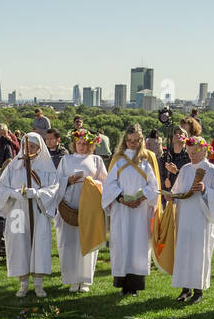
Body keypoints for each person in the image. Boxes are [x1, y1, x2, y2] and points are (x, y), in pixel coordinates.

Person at [0, 131, 58, 298]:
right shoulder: (14, 167)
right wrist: (14, 193)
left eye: (32, 146)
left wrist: (37, 194)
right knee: (19, 245)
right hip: (17, 212)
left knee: (39, 245)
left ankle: (38, 284)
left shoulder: (46, 168)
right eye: (25, 146)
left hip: (38, 212)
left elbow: (53, 189)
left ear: (39, 148)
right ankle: (23, 284)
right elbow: (0, 188)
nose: (28, 149)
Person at [102, 123, 160, 296]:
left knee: (138, 246)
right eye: (129, 141)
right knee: (122, 244)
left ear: (141, 141)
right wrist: (121, 198)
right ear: (125, 141)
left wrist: (141, 198)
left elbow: (153, 185)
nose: (132, 144)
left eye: (136, 141)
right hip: (122, 210)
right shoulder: (119, 159)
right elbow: (109, 184)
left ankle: (134, 286)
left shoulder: (146, 160)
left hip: (141, 210)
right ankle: (123, 284)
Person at [167, 136, 214, 305]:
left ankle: (198, 290)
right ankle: (185, 288)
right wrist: (171, 197)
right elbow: (178, 190)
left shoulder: (212, 170)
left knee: (199, 252)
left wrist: (206, 190)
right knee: (184, 251)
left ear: (204, 151)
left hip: (202, 217)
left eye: (194, 152)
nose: (191, 156)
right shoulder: (185, 169)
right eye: (189, 152)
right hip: (185, 216)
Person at [52, 129, 109, 294]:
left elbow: (105, 182)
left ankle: (84, 280)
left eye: (85, 144)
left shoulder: (96, 160)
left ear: (90, 144)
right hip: (68, 207)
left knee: (87, 241)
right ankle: (72, 280)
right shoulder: (66, 160)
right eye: (79, 143)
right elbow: (57, 182)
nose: (81, 147)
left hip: (89, 208)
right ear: (74, 144)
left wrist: (93, 182)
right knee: (69, 243)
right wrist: (68, 181)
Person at [159, 127, 190, 192]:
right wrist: (164, 185)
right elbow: (160, 175)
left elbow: (190, 176)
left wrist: (176, 172)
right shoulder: (164, 157)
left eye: (181, 133)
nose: (177, 135)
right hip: (167, 195)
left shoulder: (190, 157)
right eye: (175, 133)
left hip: (183, 193)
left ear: (186, 139)